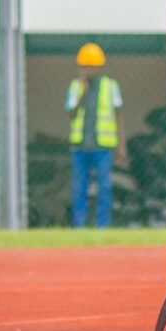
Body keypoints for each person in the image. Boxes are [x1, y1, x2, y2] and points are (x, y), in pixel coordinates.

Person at [65, 42, 126, 227]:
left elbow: (119, 116)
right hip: (80, 147)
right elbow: (71, 114)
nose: (87, 70)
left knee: (104, 188)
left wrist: (121, 146)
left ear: (99, 67)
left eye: (91, 66)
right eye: (84, 66)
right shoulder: (75, 87)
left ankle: (103, 226)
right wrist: (83, 90)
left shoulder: (111, 86)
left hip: (102, 147)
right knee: (79, 189)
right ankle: (79, 226)